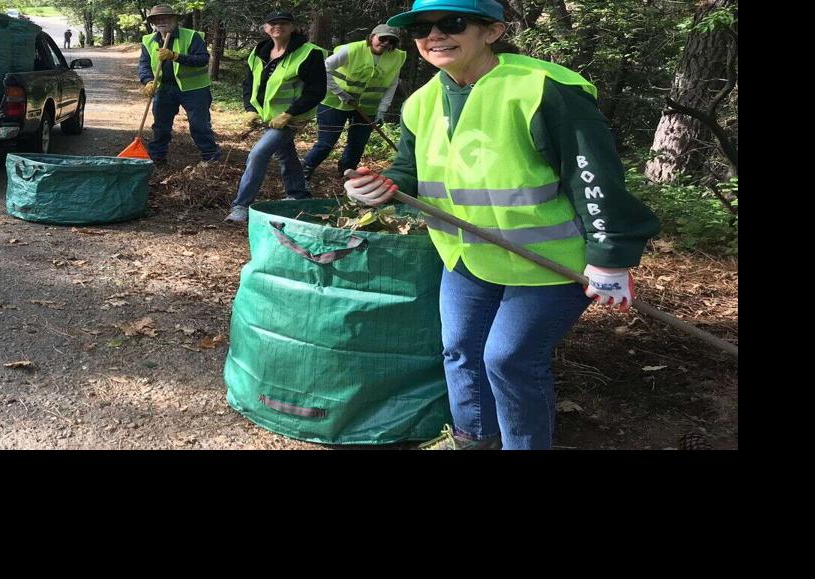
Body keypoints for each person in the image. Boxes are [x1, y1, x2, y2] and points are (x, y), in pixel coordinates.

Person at [344, 0, 661, 450]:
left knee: (509, 360)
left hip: (549, 263)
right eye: (420, 28)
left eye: (453, 23)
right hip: (466, 257)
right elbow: (408, 170)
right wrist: (380, 187)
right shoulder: (420, 102)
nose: (434, 36)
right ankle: (474, 438)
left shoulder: (543, 89)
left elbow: (594, 177)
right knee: (460, 351)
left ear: (492, 32)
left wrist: (610, 258)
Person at [225, 10, 326, 223]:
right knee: (285, 154)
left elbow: (316, 91)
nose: (278, 26)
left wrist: (290, 114)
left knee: (258, 154)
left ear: (293, 27)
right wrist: (250, 109)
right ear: (265, 28)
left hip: (292, 118)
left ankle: (241, 205)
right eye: (273, 23)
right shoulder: (259, 52)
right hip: (269, 118)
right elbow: (249, 83)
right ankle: (298, 194)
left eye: (284, 23)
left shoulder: (309, 53)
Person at [301, 24, 405, 179]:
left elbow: (392, 84)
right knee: (327, 142)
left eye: (392, 41)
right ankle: (305, 169)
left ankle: (347, 172)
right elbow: (323, 69)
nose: (386, 43)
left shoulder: (396, 57)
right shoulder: (352, 50)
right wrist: (340, 93)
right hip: (334, 102)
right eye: (383, 38)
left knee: (358, 144)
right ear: (372, 37)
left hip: (368, 107)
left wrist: (382, 109)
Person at [137, 5, 220, 166]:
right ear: (153, 22)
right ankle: (157, 159)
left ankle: (211, 158)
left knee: (199, 125)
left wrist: (175, 56)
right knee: (160, 126)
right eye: (157, 19)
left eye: (166, 17)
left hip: (194, 89)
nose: (161, 21)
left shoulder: (192, 36)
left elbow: (203, 59)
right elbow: (144, 65)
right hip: (164, 88)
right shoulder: (148, 41)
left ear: (175, 19)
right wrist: (148, 81)